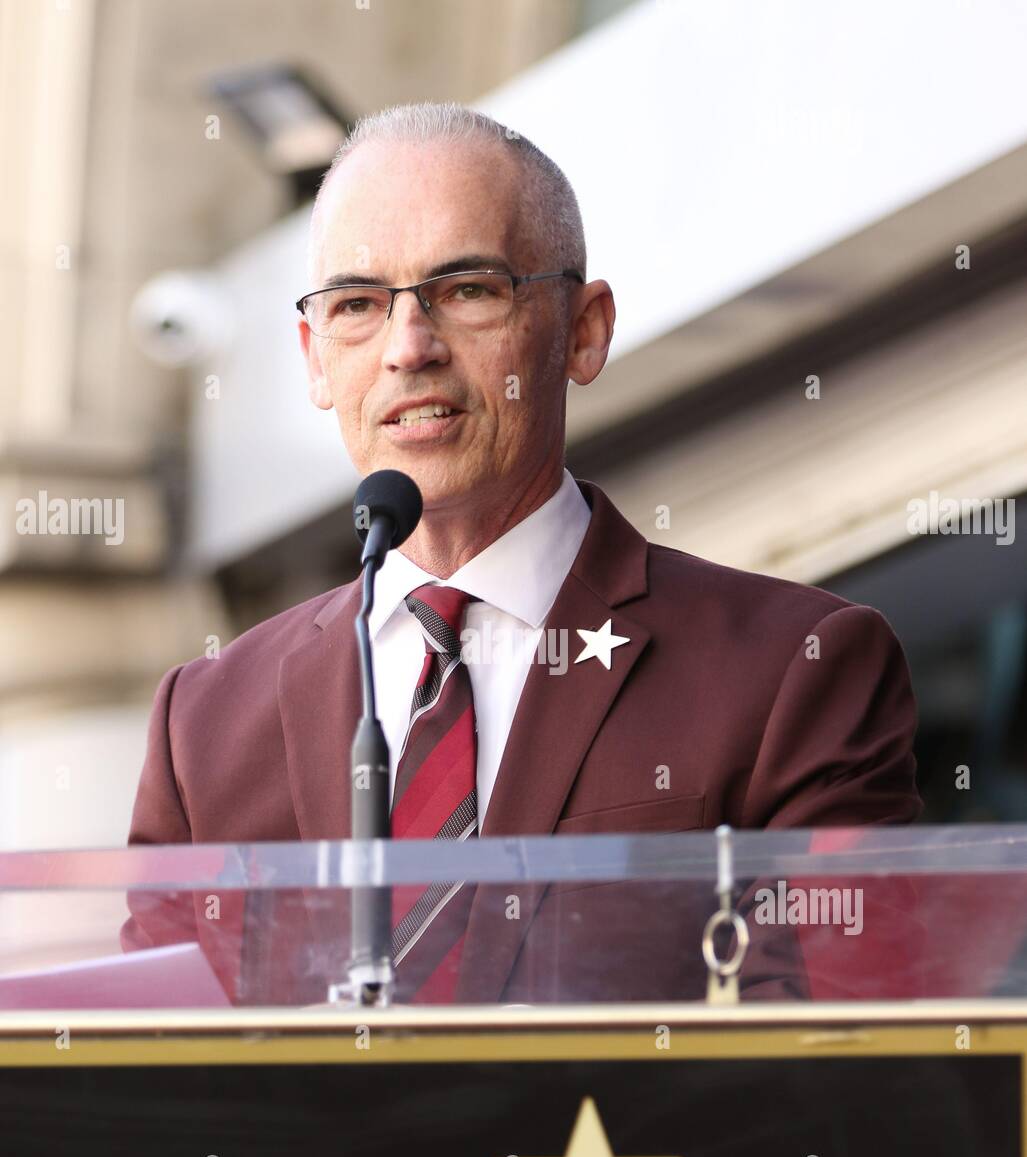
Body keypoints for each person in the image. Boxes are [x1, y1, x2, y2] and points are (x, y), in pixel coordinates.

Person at [124, 102, 922, 1005]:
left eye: (467, 290)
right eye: (357, 305)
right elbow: (147, 1079)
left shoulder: (792, 669)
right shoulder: (206, 723)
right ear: (314, 358)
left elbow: (843, 1058)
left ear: (583, 331)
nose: (409, 349)